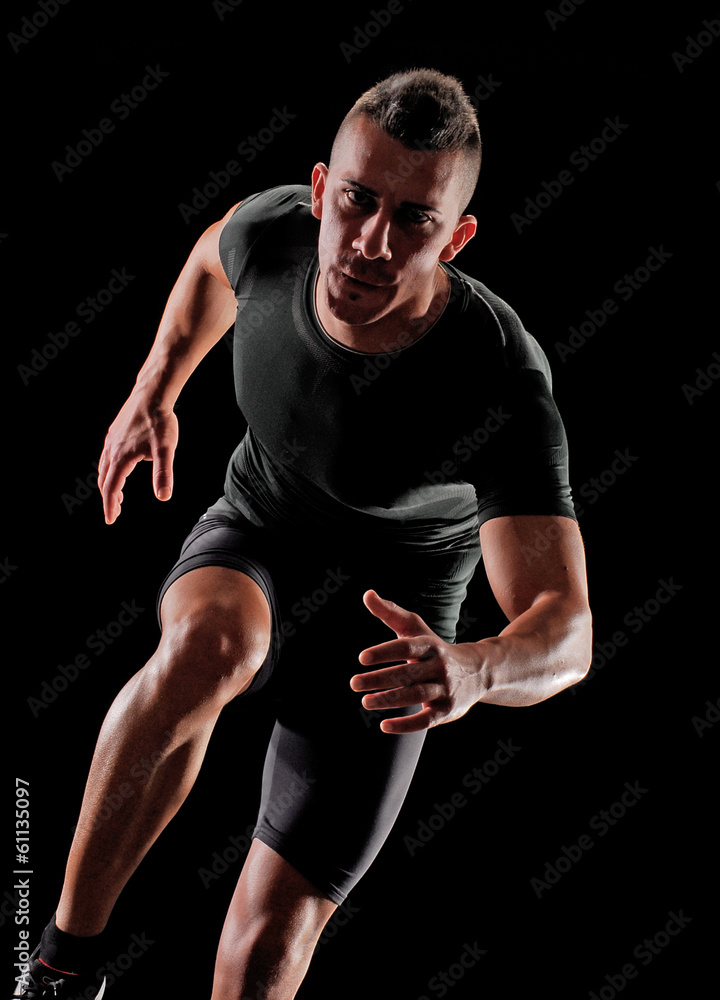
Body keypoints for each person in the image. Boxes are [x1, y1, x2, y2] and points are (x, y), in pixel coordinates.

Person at [14, 68, 592, 1000]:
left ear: (457, 236)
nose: (369, 243)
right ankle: (58, 968)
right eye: (358, 201)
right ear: (320, 190)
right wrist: (154, 390)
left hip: (394, 629)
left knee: (266, 949)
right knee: (212, 644)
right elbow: (209, 258)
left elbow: (568, 627)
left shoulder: (497, 374)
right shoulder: (273, 233)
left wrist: (475, 669)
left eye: (414, 220)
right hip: (260, 530)